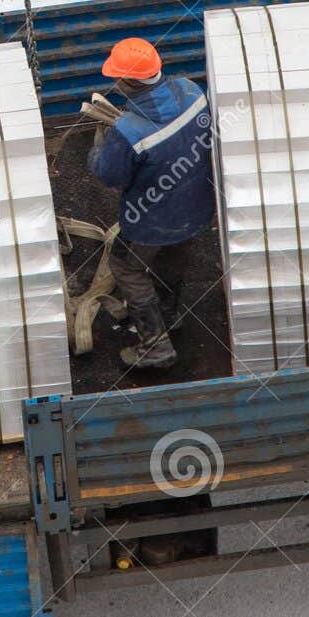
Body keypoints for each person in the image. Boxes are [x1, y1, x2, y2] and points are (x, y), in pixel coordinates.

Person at [87, 37, 215, 370]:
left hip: (152, 220)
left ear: (128, 81)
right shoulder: (193, 92)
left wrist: (100, 145)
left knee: (127, 266)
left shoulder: (128, 130)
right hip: (197, 208)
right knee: (172, 258)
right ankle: (170, 316)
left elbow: (110, 176)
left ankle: (155, 346)